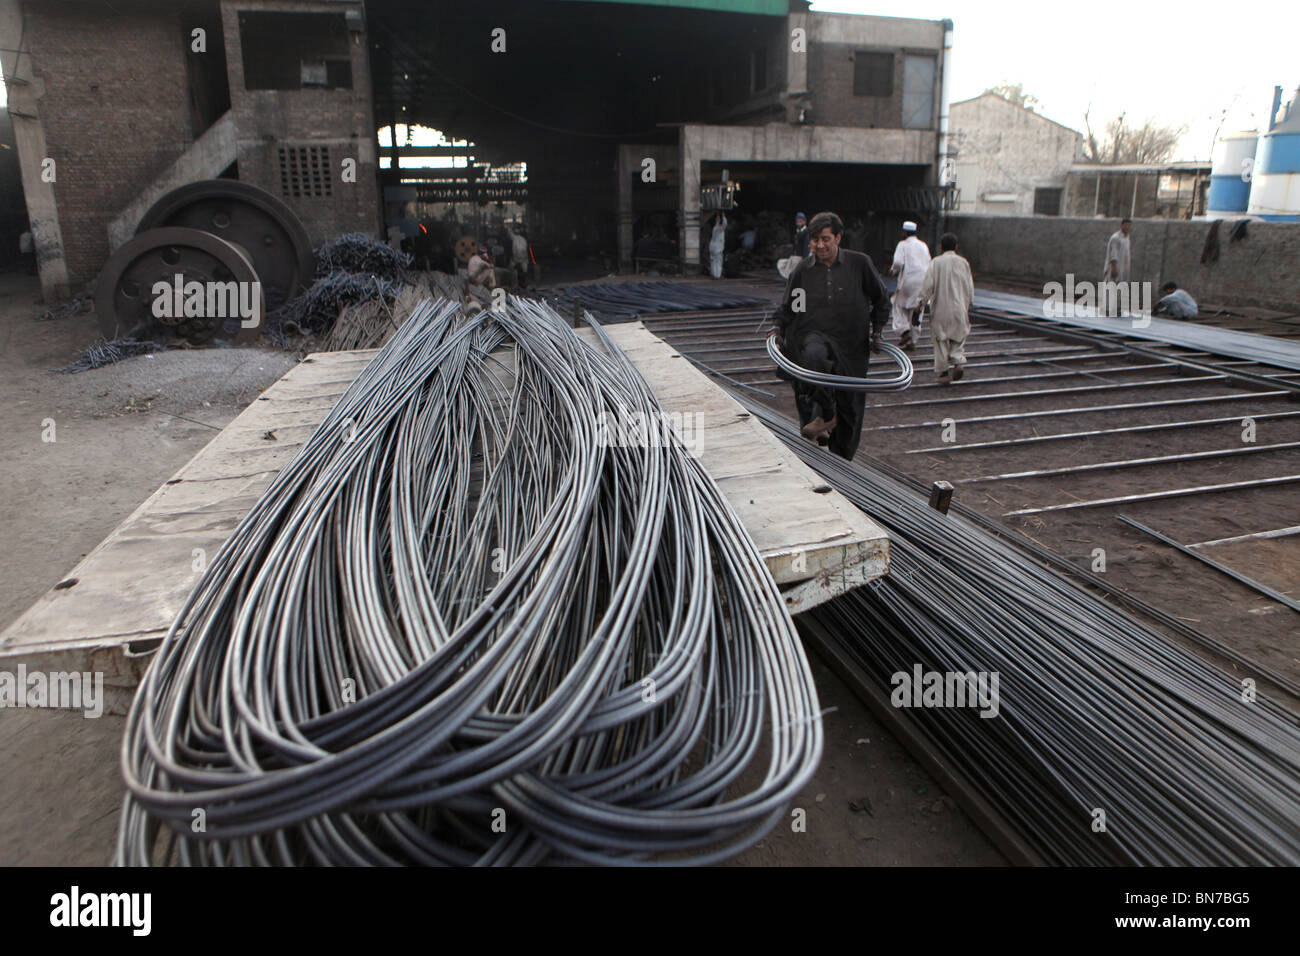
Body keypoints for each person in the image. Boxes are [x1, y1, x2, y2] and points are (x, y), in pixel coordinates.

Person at [774, 211, 891, 460]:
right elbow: (791, 307)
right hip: (813, 337)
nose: (820, 245)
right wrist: (777, 329)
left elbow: (881, 299)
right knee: (814, 359)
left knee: (851, 414)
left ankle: (841, 462)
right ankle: (826, 417)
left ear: (838, 237)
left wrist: (877, 332)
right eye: (815, 240)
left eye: (825, 239)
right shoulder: (804, 271)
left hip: (851, 346)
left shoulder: (859, 265)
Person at [918, 233, 974, 385]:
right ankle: (958, 362)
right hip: (960, 308)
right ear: (956, 247)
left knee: (940, 340)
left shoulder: (936, 263)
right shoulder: (964, 263)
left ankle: (943, 373)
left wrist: (920, 303)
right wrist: (969, 304)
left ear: (940, 246)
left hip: (941, 309)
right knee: (958, 337)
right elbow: (969, 287)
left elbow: (927, 286)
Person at [888, 221, 931, 350]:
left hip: (908, 280)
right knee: (916, 311)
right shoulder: (923, 245)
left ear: (905, 232)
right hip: (922, 282)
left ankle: (904, 331)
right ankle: (913, 340)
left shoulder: (903, 244)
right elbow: (929, 262)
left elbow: (898, 262)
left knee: (898, 305)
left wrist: (893, 271)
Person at [1100, 218, 1132, 316]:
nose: (1127, 227)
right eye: (1125, 225)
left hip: (1123, 268)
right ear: (1121, 225)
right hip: (1115, 268)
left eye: (1129, 225)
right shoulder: (1115, 238)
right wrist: (1114, 268)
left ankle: (1116, 308)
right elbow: (1113, 254)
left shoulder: (1126, 238)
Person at [708, 211, 727, 279]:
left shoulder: (715, 228)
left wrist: (719, 216)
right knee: (718, 262)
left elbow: (719, 222)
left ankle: (714, 274)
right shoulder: (720, 229)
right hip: (717, 248)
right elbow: (724, 224)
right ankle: (717, 275)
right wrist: (723, 216)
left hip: (712, 247)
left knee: (713, 262)